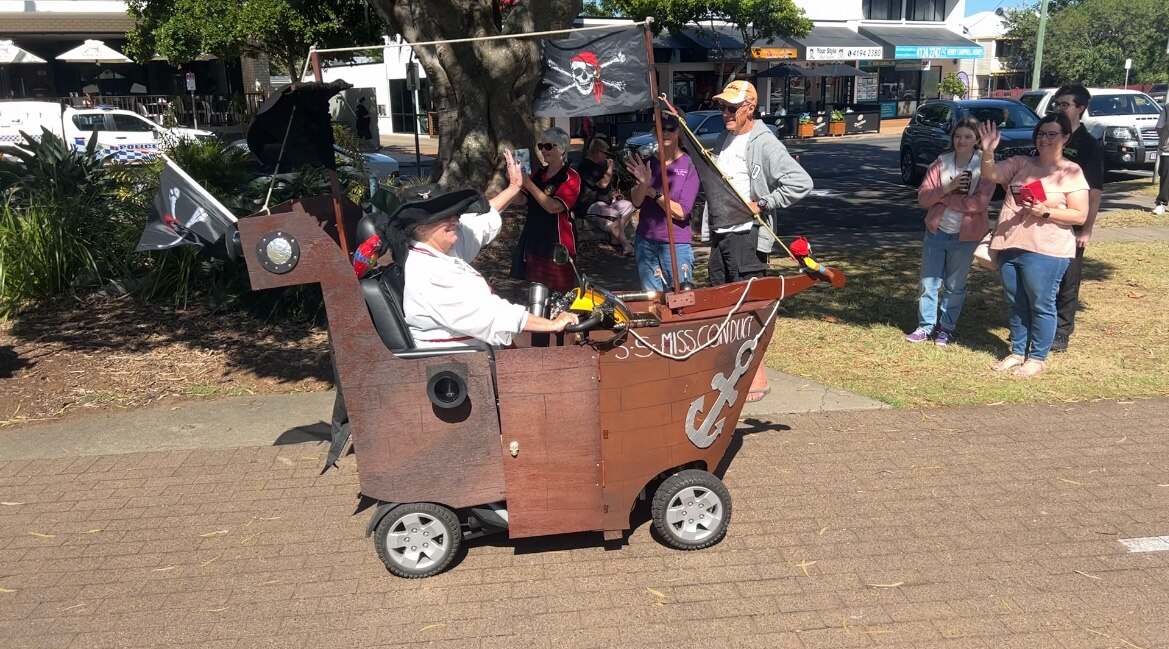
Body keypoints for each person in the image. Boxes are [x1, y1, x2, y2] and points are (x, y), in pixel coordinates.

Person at [388, 151, 579, 349]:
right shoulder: (429, 273)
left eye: (454, 214)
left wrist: (514, 188)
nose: (455, 219)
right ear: (419, 228)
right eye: (444, 217)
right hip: (458, 365)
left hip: (476, 352)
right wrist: (552, 324)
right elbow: (491, 314)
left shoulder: (438, 247)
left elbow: (481, 220)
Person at [705, 79, 813, 402]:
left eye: (732, 108)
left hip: (747, 237)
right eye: (722, 106)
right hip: (722, 234)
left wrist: (762, 203)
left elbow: (801, 182)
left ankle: (759, 376)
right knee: (724, 305)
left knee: (752, 306)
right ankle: (733, 370)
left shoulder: (764, 141)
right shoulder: (726, 137)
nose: (725, 112)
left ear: (750, 109)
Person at [978, 114, 1089, 378]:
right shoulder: (1021, 163)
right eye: (1041, 134)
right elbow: (990, 173)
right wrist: (987, 151)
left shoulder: (1071, 172)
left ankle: (1037, 357)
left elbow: (1080, 216)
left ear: (1065, 137)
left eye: (1052, 134)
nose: (1045, 139)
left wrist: (1045, 212)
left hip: (1047, 250)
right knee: (1015, 302)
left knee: (1041, 304)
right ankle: (1018, 352)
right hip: (1010, 244)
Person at [906, 117, 995, 346]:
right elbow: (924, 198)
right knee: (928, 282)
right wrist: (949, 188)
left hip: (966, 236)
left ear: (976, 139)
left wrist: (944, 199)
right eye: (957, 136)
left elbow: (978, 204)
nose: (961, 141)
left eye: (967, 136)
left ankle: (946, 328)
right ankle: (925, 326)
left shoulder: (983, 166)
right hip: (936, 232)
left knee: (955, 285)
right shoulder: (942, 162)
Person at [1046, 84, 1105, 353]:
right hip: (1045, 218)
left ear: (1080, 109)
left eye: (1065, 105)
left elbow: (1094, 192)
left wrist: (1086, 229)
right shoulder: (1049, 137)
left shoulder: (1088, 145)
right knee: (1043, 275)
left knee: (1068, 279)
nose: (1059, 109)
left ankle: (1062, 331)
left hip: (1073, 221)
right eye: (1056, 104)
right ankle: (1041, 325)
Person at [625, 113, 701, 291]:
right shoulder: (647, 163)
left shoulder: (689, 165)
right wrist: (643, 184)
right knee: (652, 301)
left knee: (680, 298)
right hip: (646, 241)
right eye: (660, 128)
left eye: (670, 129)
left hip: (676, 244)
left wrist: (652, 192)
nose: (665, 133)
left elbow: (682, 212)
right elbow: (636, 202)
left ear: (680, 132)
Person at [510, 126, 580, 293]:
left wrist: (528, 184)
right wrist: (514, 183)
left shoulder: (571, 176)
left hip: (558, 243)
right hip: (535, 241)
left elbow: (553, 207)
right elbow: (521, 200)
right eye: (541, 146)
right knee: (537, 293)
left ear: (562, 149)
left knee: (561, 294)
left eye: (549, 146)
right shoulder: (536, 174)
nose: (543, 151)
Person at [575, 137, 635, 256]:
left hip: (605, 202)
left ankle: (615, 237)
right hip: (590, 205)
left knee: (628, 206)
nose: (606, 157)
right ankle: (626, 245)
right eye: (605, 153)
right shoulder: (586, 166)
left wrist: (612, 195)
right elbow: (603, 184)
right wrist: (610, 168)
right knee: (613, 214)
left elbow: (603, 188)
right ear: (597, 152)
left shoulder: (598, 166)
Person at [1154, 96, 1168, 215]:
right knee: (1165, 177)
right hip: (1167, 149)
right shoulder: (1167, 109)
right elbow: (1159, 128)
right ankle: (1161, 203)